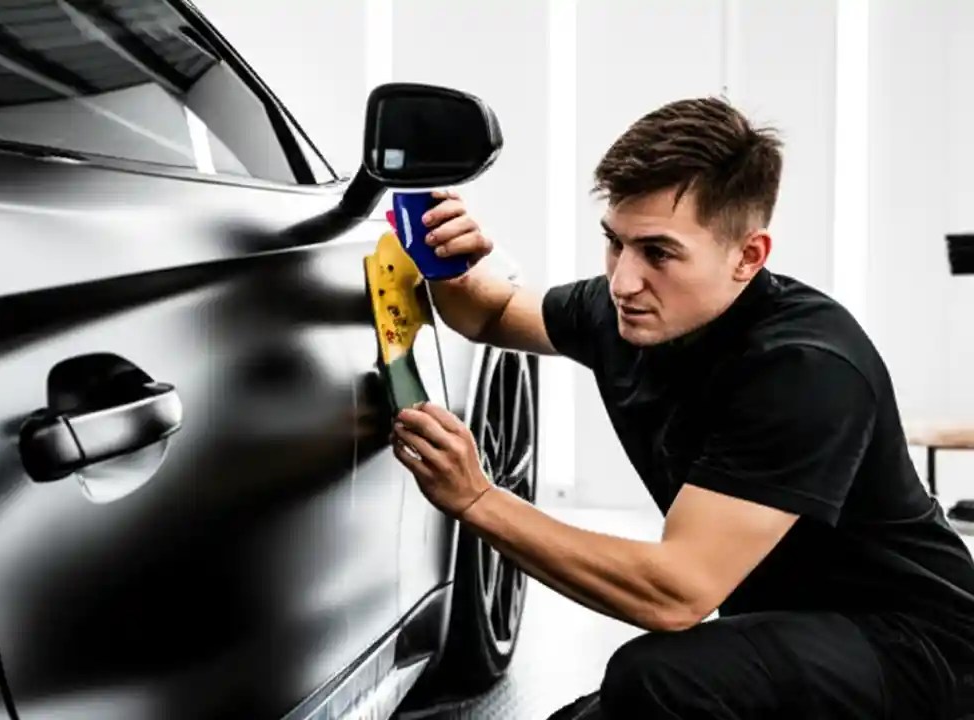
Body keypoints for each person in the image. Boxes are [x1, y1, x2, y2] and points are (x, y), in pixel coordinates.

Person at [390, 96, 974, 719]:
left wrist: (478, 500)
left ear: (748, 256)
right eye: (615, 243)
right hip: (790, 633)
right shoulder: (626, 310)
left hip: (917, 652)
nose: (623, 280)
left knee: (658, 681)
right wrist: (445, 260)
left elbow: (676, 593)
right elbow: (495, 312)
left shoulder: (804, 367)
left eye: (659, 253)